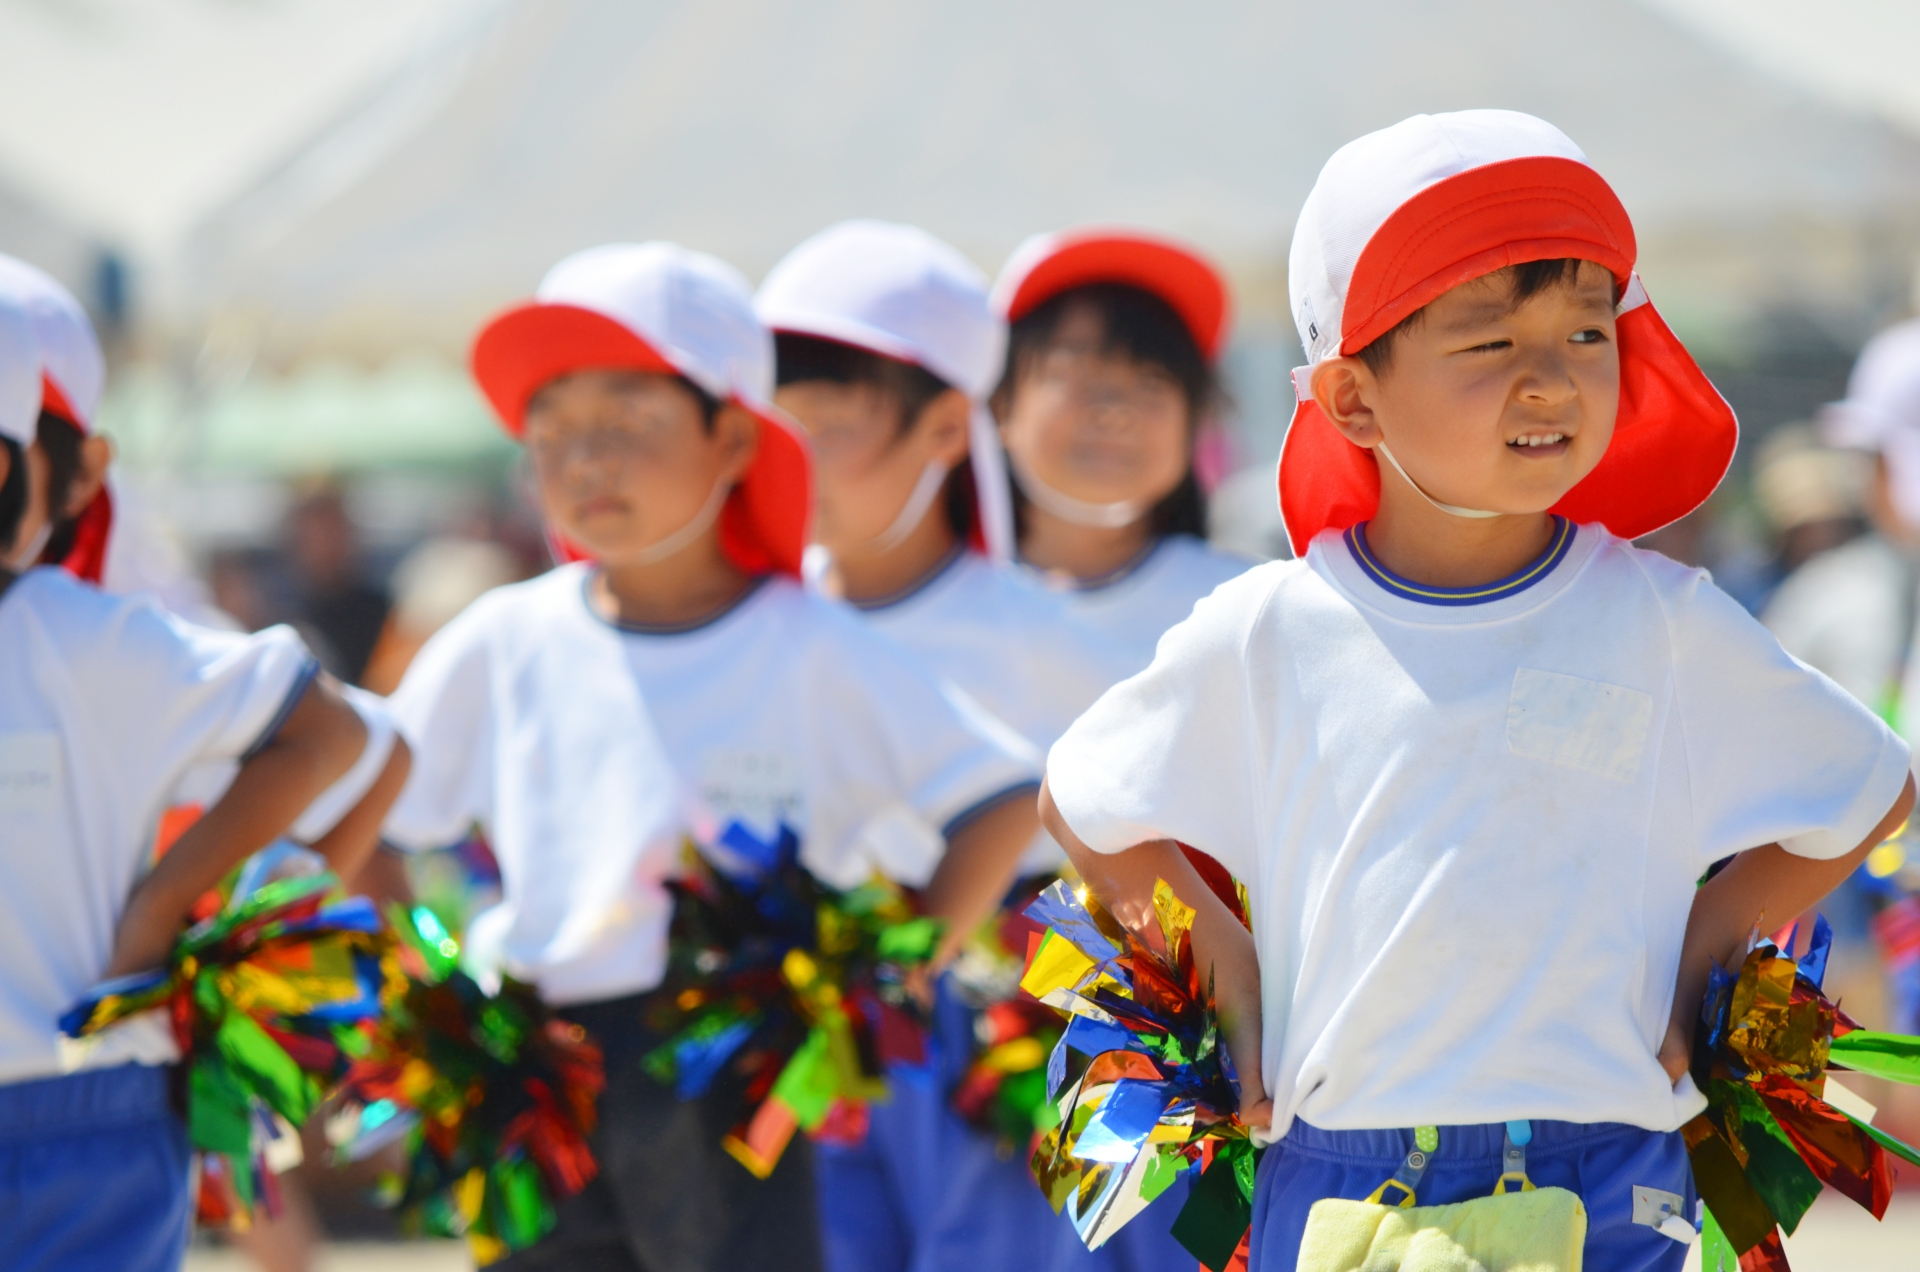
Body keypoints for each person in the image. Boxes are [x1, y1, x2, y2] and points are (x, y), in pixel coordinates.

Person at [1037, 110, 1915, 1271]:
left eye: (1588, 332)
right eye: (1491, 342)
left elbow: (1867, 789)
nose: (1550, 378)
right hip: (1347, 1184)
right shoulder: (1270, 631)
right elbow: (1085, 802)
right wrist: (1225, 963)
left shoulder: (1662, 620)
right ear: (1352, 399)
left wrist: (1715, 935)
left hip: (1613, 1180)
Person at [380, 242, 1044, 1272]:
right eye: (551, 434)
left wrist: (887, 973)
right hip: (538, 1073)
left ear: (734, 437)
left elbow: (1004, 797)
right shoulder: (501, 638)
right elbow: (371, 808)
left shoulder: (808, 643)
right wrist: (425, 981)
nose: (585, 460)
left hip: (734, 1074)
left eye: (627, 422)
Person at [757, 220, 1158, 1272]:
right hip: (817, 1022)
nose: (792, 465)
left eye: (827, 431)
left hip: (1011, 1027)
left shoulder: (1032, 635)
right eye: (770, 429)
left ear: (945, 429)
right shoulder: (769, 621)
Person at [0, 272, 408, 1272]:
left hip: (75, 1104)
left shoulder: (86, 633)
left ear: (80, 471)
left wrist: (186, 917)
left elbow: (360, 739)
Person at [990, 227, 1252, 673]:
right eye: (1074, 372)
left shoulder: (1250, 616)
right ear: (1000, 403)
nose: (1114, 412)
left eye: (1152, 382)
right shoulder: (916, 612)